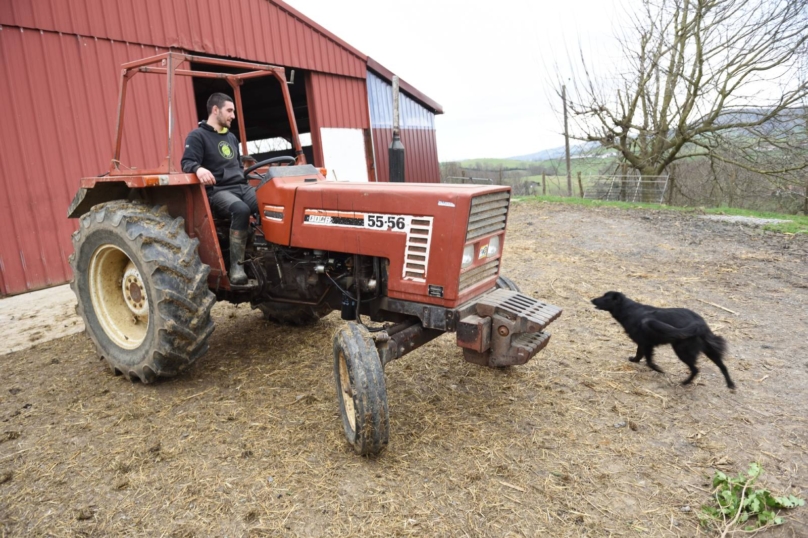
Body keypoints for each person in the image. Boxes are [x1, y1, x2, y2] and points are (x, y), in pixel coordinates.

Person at [181, 93, 255, 285]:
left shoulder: (231, 137)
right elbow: (187, 162)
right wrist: (198, 168)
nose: (233, 116)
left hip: (240, 186)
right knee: (241, 210)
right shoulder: (197, 136)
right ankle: (237, 266)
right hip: (219, 190)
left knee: (271, 204)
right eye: (229, 111)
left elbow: (237, 165)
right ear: (216, 110)